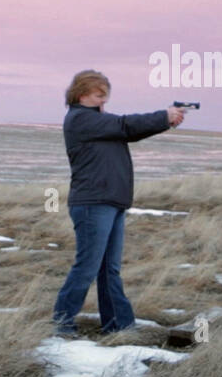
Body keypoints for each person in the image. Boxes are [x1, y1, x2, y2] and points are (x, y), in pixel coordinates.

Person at [53, 70, 184, 336]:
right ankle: (61, 323)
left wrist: (165, 122)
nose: (104, 102)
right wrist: (163, 115)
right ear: (82, 94)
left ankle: (119, 326)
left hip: (110, 202)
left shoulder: (99, 122)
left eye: (106, 97)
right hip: (92, 203)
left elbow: (129, 132)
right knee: (88, 266)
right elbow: (125, 125)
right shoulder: (80, 119)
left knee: (108, 269)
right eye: (99, 95)